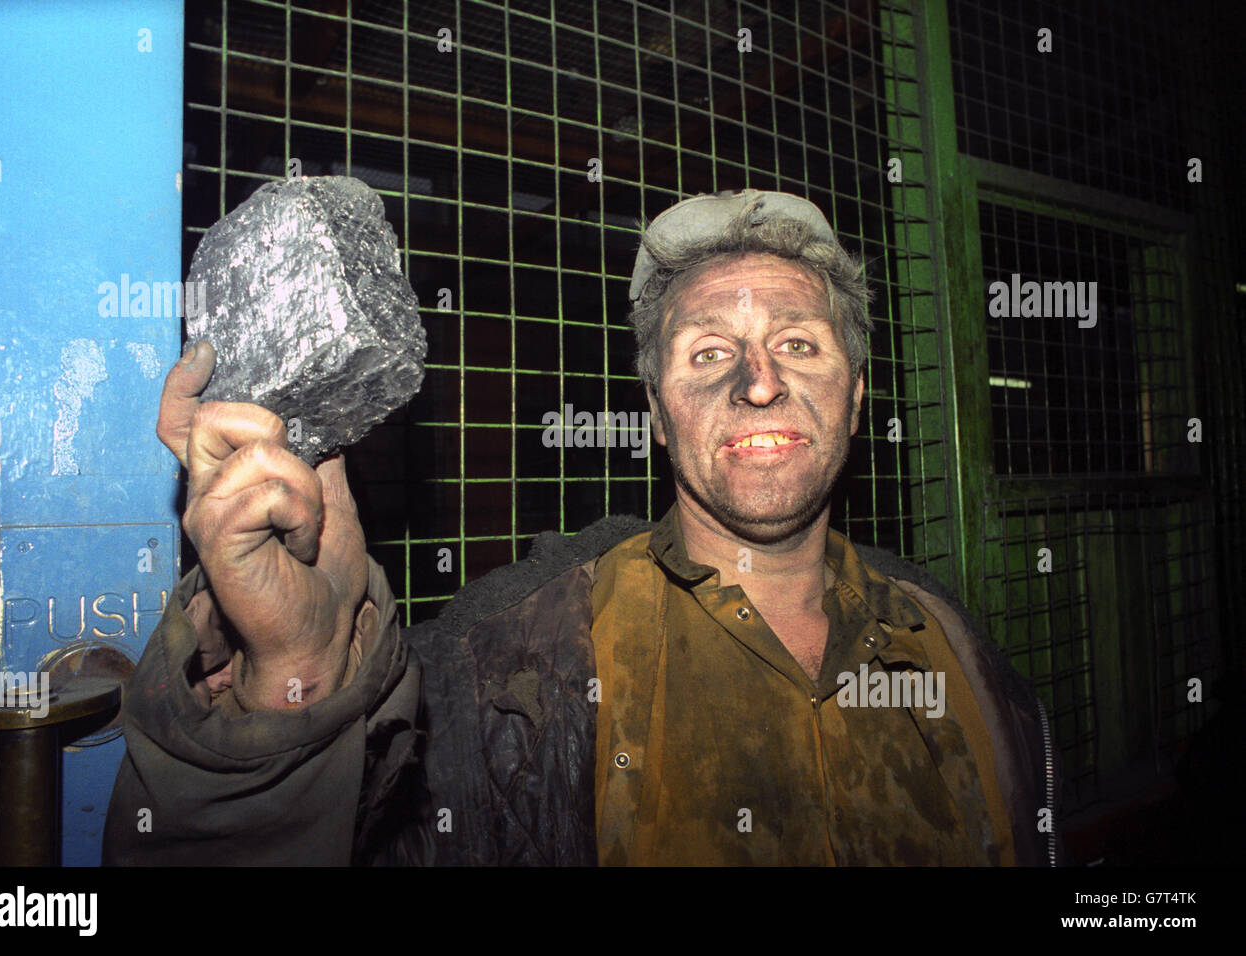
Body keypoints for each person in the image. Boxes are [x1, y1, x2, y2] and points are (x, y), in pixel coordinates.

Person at [104, 189, 1057, 866]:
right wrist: (293, 672)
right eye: (709, 351)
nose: (757, 382)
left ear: (856, 401)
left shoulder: (962, 654)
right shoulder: (503, 671)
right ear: (654, 408)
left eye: (799, 346)